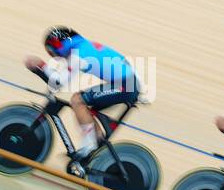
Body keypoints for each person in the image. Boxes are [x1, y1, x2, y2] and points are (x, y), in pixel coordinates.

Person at [24, 27, 145, 162]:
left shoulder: (78, 54)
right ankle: (95, 143)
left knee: (77, 100)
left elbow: (58, 82)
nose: (55, 57)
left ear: (59, 46)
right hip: (128, 84)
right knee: (83, 106)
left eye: (53, 53)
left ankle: (88, 147)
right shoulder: (83, 46)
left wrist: (40, 65)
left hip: (125, 86)